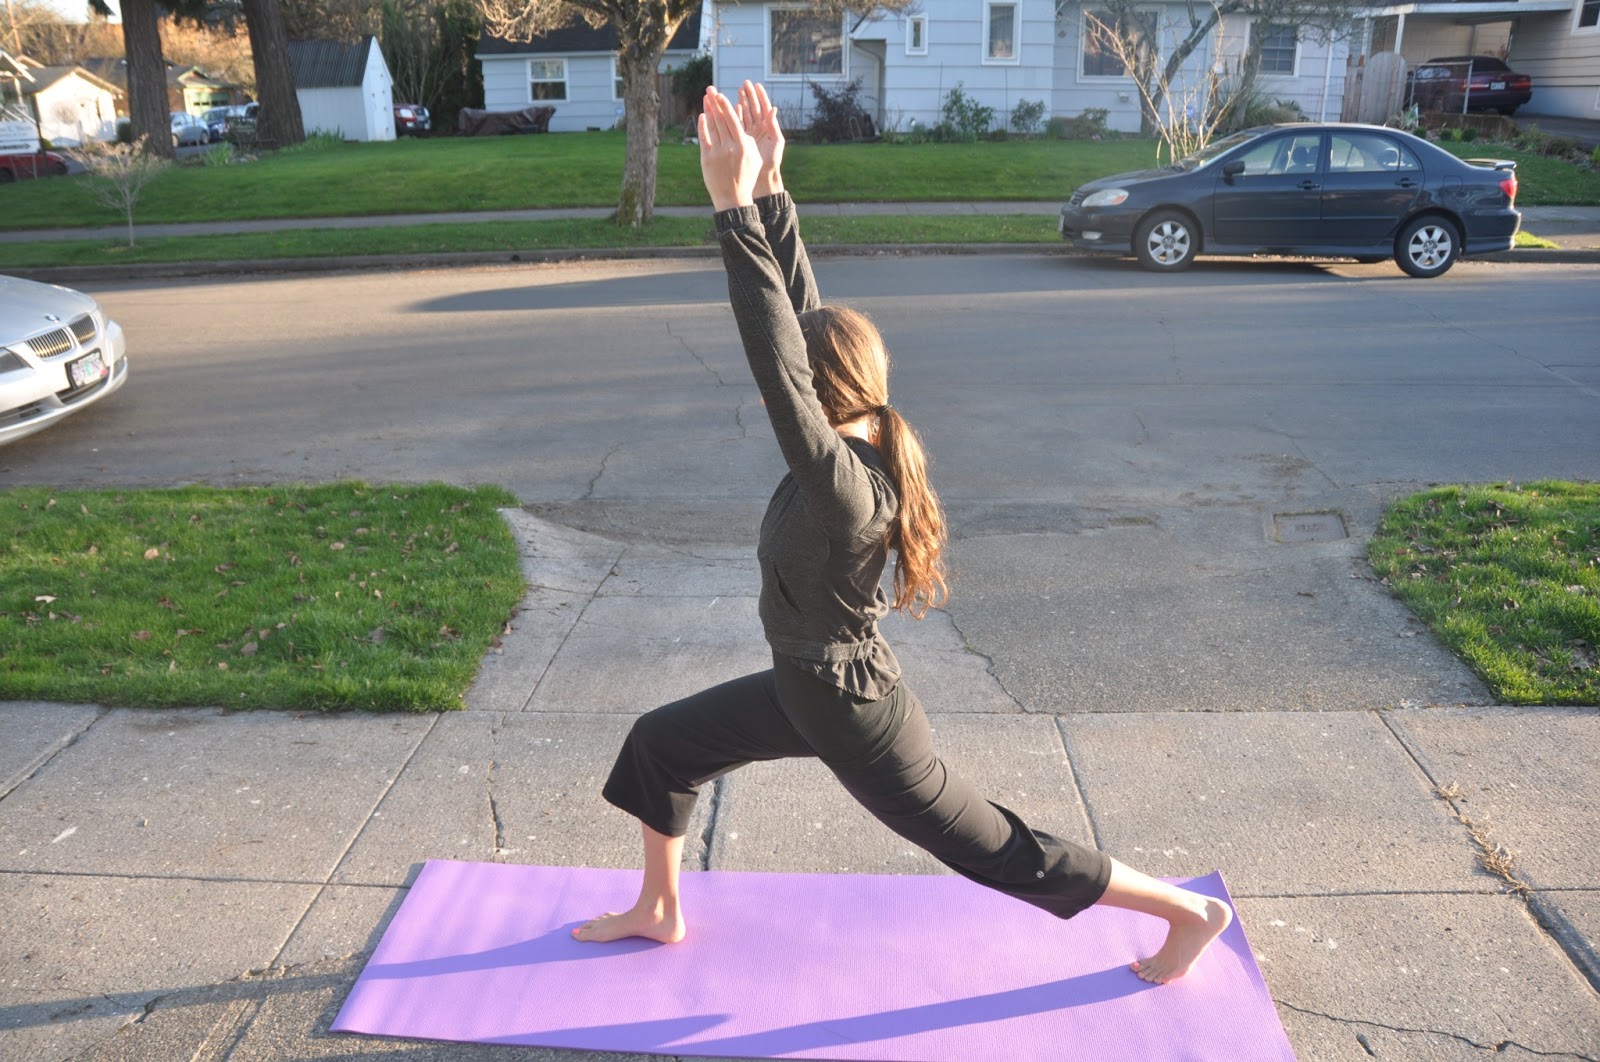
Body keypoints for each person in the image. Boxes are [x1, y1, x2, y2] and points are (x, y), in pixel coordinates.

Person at [572, 81, 1232, 985]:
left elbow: (774, 352)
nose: (795, 380)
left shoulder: (841, 481)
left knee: (998, 849)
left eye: (803, 379)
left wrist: (728, 212)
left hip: (852, 710)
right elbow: (800, 321)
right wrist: (769, 191)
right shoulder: (861, 422)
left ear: (818, 387)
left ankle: (1188, 913)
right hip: (804, 683)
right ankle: (660, 908)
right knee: (662, 744)